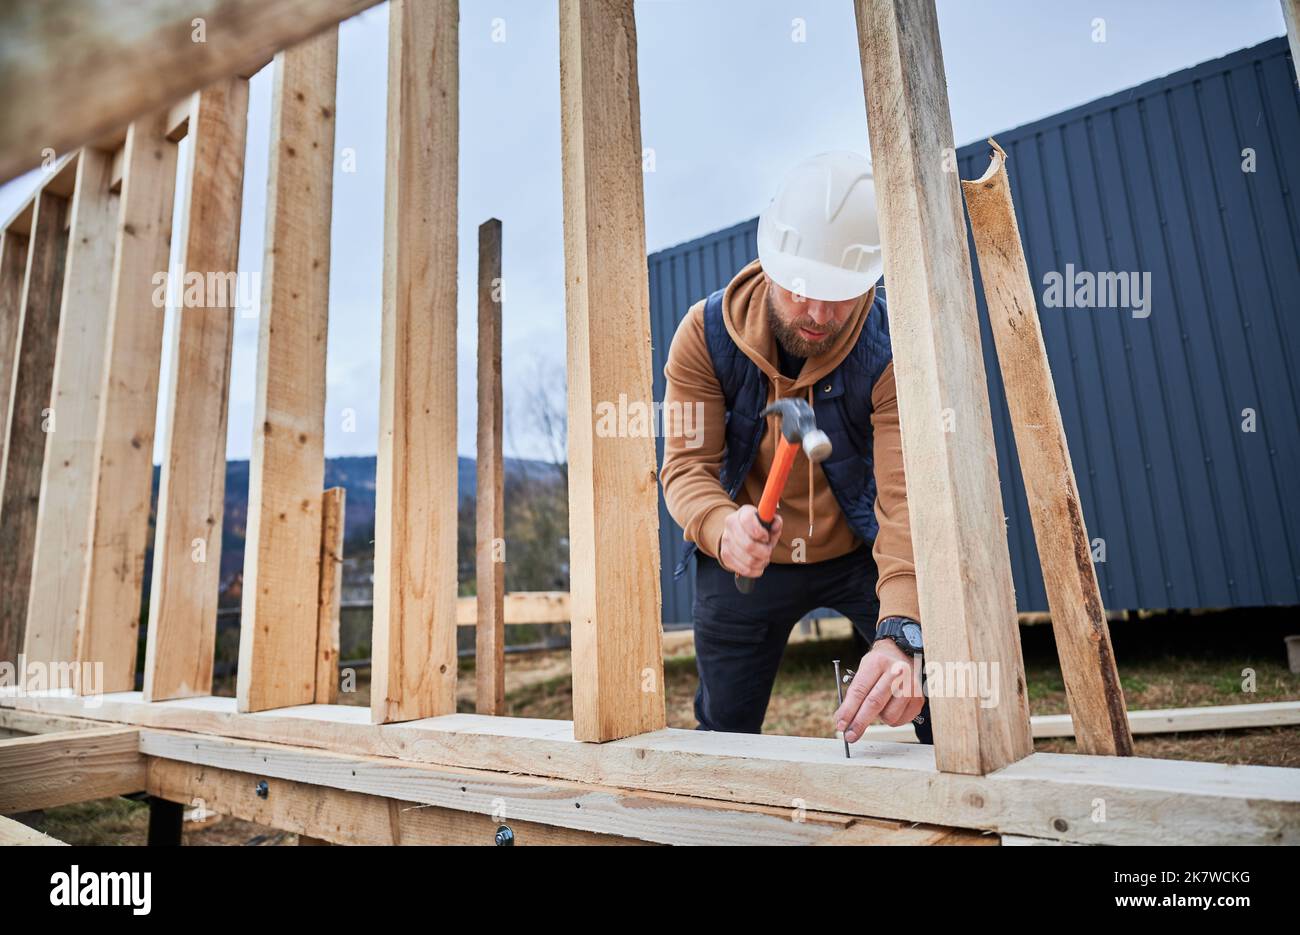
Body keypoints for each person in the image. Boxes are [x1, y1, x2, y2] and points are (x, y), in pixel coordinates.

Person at [659, 151, 931, 745]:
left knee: (935, 703)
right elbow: (684, 467)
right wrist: (719, 524)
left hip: (863, 553)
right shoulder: (704, 336)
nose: (818, 313)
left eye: (841, 293)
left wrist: (904, 628)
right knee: (724, 735)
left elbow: (906, 501)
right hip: (747, 566)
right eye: (804, 290)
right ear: (772, 260)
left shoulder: (890, 349)